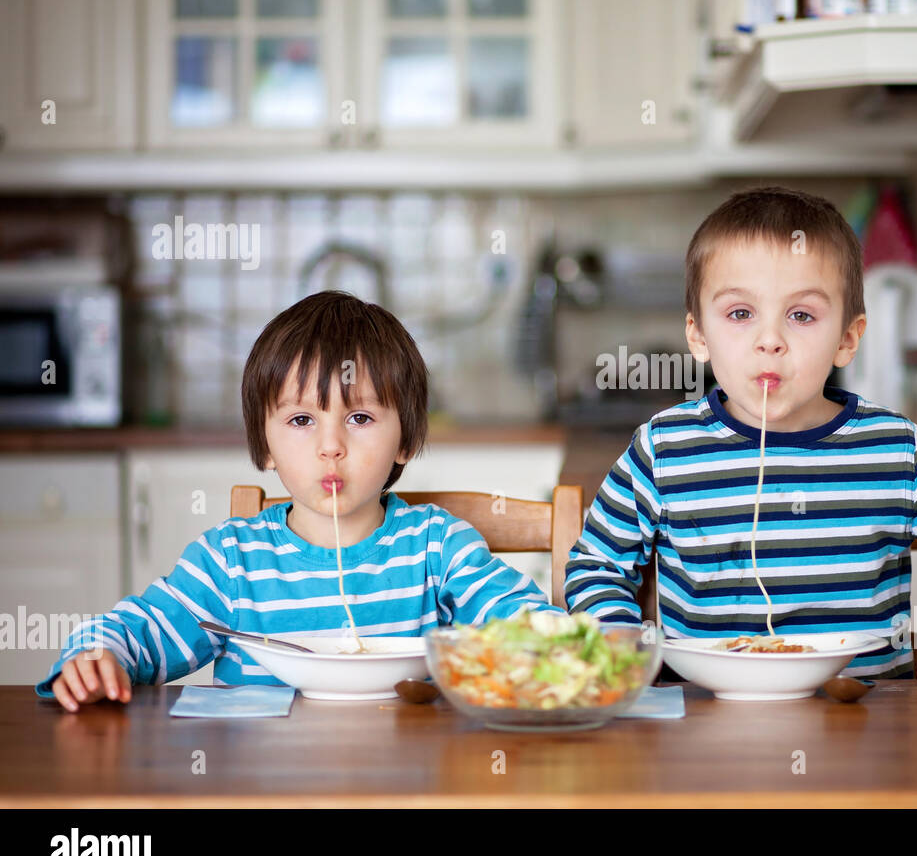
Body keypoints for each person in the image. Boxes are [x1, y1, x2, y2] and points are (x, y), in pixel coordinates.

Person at [564, 187, 917, 691]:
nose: (770, 340)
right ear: (697, 336)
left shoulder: (895, 451)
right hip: (698, 734)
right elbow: (596, 565)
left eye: (801, 316)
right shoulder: (662, 450)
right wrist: (619, 646)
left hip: (867, 733)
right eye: (740, 313)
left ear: (848, 338)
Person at [38, 290, 558, 711]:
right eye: (301, 420)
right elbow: (139, 631)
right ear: (264, 446)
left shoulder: (437, 548)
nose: (331, 445)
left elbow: (526, 622)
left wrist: (536, 647)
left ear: (405, 439)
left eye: (360, 418)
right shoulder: (231, 561)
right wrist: (96, 654)